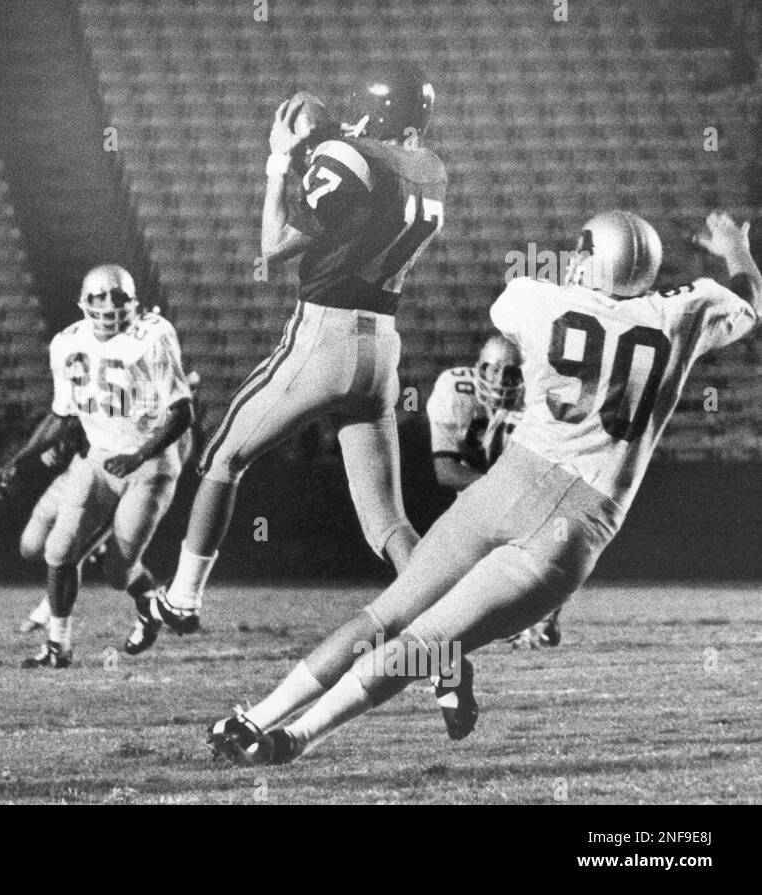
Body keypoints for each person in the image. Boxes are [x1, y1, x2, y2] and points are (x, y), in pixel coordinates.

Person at [207, 209, 760, 766]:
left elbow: (535, 314)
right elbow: (748, 299)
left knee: (381, 619)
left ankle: (253, 717)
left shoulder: (532, 299)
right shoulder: (687, 310)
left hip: (503, 487)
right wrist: (736, 248)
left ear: (592, 255)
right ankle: (291, 740)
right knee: (423, 646)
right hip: (574, 525)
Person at [153, 69, 446, 635]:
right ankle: (437, 632)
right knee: (387, 520)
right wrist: (324, 140)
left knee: (221, 458)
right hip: (382, 347)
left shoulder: (345, 156)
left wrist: (280, 162)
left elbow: (275, 245)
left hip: (324, 336)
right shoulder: (432, 170)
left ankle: (183, 599)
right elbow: (369, 192)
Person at [0, 264, 193, 666]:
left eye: (119, 297)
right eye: (100, 297)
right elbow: (61, 414)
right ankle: (57, 646)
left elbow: (182, 414)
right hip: (97, 458)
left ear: (135, 301)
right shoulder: (67, 343)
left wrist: (138, 455)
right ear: (83, 302)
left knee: (118, 571)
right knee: (58, 551)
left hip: (149, 463)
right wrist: (17, 460)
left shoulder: (153, 334)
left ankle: (150, 605)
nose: (110, 305)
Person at [428, 335, 560, 648]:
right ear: (478, 368)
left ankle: (542, 615)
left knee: (554, 532)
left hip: (526, 494)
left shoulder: (541, 402)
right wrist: (501, 490)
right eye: (492, 369)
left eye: (512, 373)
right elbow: (445, 471)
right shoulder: (453, 388)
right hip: (480, 495)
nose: (500, 381)